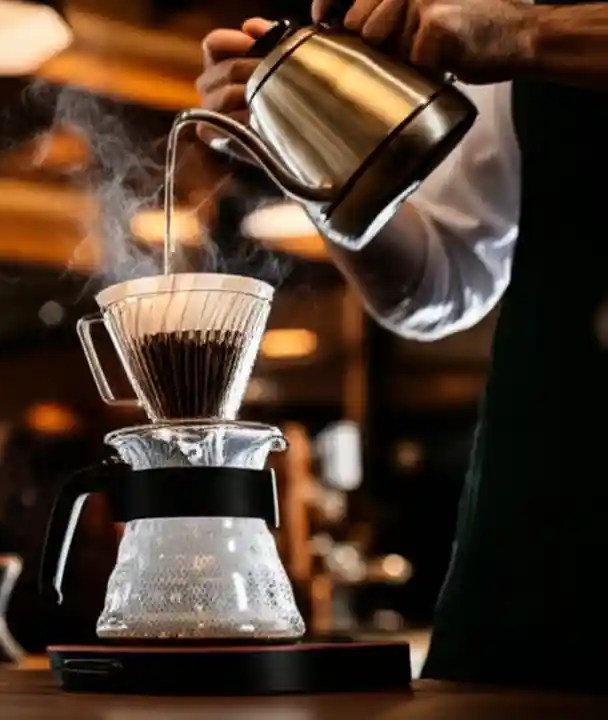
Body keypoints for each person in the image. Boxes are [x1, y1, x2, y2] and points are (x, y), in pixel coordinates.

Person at [198, 0, 608, 690]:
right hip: (543, 509)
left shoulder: (520, 18)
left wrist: (528, 34)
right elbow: (437, 283)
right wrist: (305, 151)